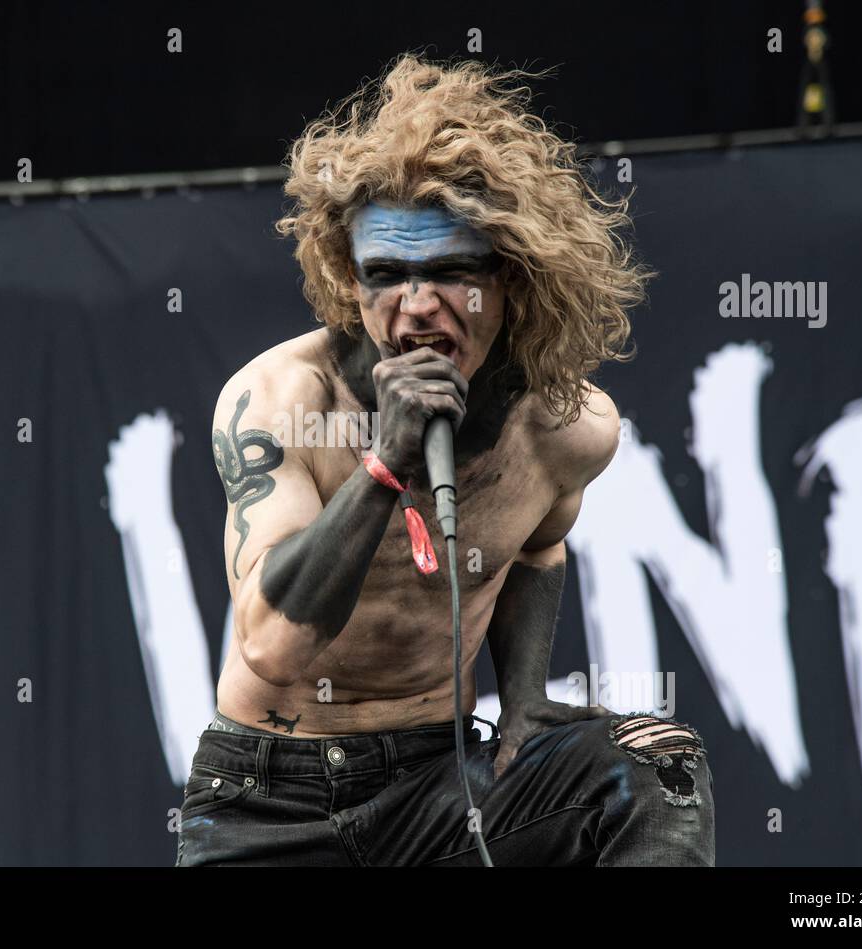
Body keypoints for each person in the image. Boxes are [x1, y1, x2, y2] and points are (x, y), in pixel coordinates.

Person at [179, 54, 714, 866]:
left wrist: (527, 697)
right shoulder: (283, 400)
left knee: (657, 765)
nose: (418, 307)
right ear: (347, 284)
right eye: (386, 277)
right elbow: (271, 648)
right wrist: (383, 467)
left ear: (512, 278)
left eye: (451, 275)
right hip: (271, 794)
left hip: (443, 782)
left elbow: (537, 545)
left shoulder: (566, 427)